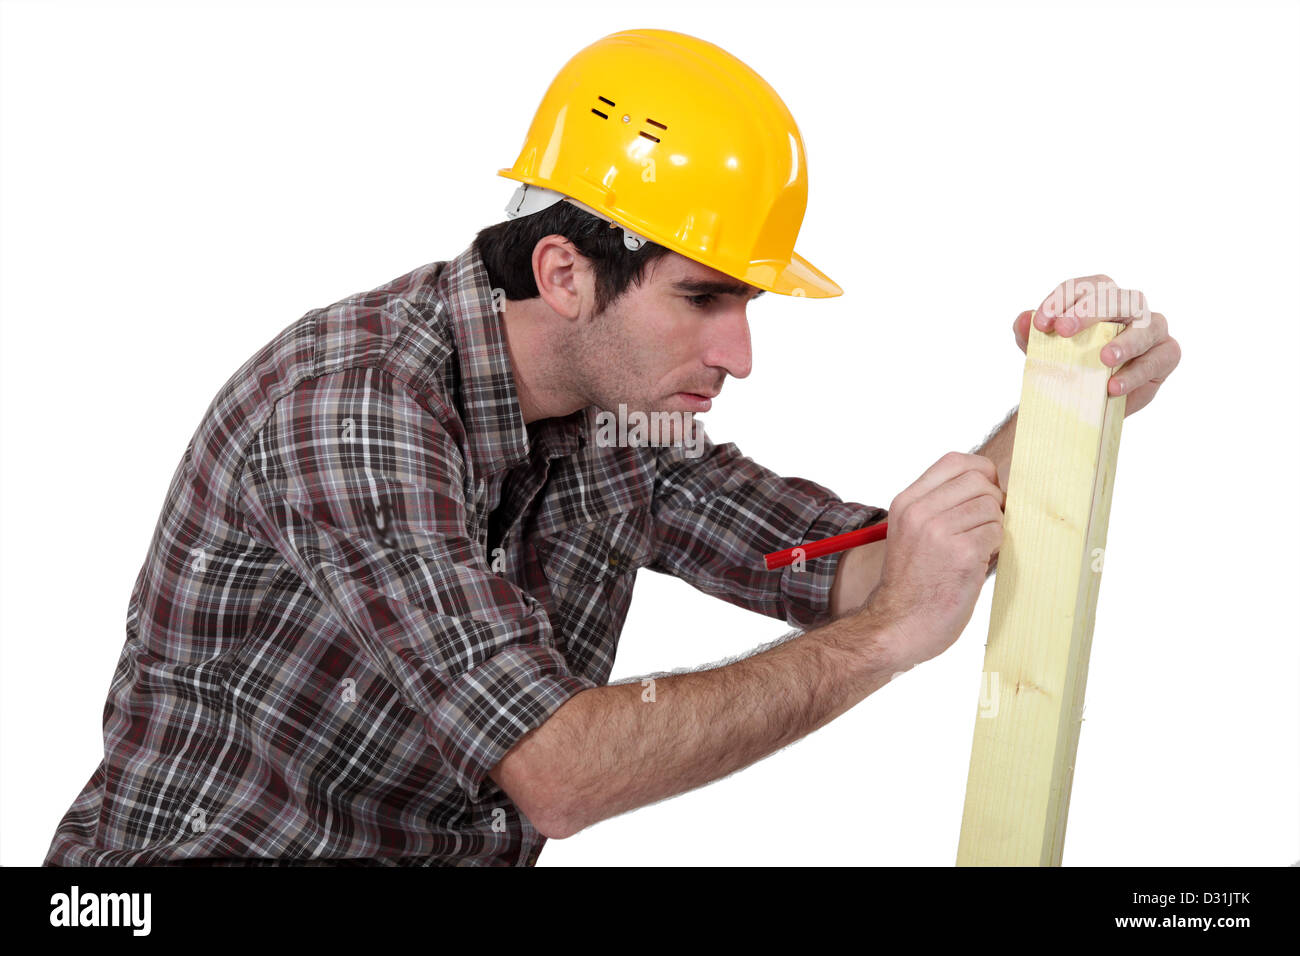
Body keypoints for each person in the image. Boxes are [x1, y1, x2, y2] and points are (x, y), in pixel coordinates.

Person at [44, 28, 1180, 866]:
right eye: (703, 300)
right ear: (564, 272)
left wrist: (1064, 399)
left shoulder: (619, 426)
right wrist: (885, 642)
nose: (739, 354)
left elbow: (867, 563)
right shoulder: (353, 409)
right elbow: (561, 772)